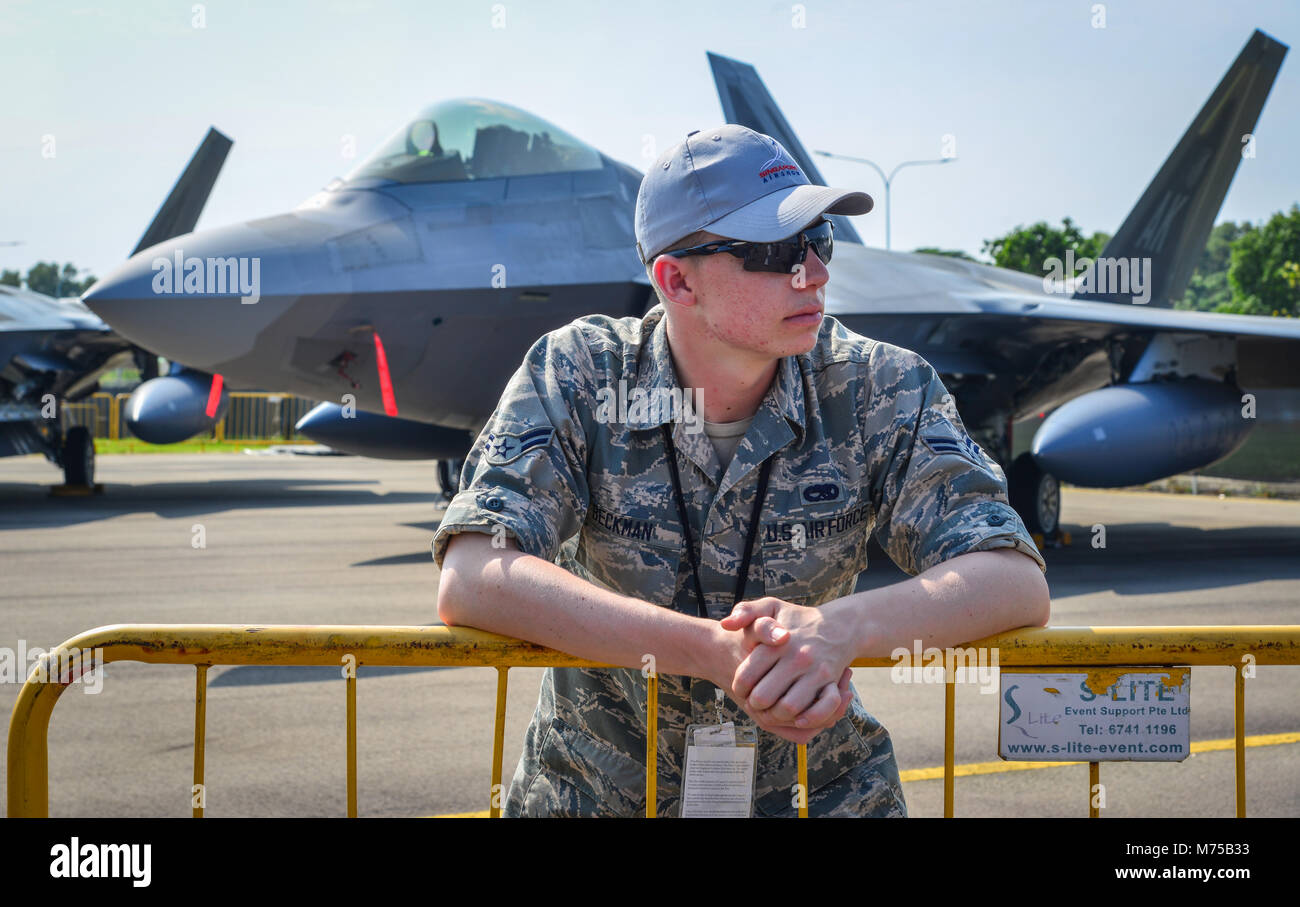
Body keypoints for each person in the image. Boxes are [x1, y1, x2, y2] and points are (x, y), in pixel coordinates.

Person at [432, 124, 1050, 817]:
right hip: (596, 793)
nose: (814, 272)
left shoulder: (880, 385)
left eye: (820, 240)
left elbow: (1012, 579)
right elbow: (473, 575)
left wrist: (841, 629)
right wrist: (707, 651)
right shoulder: (581, 372)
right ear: (677, 280)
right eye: (777, 251)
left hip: (819, 793)